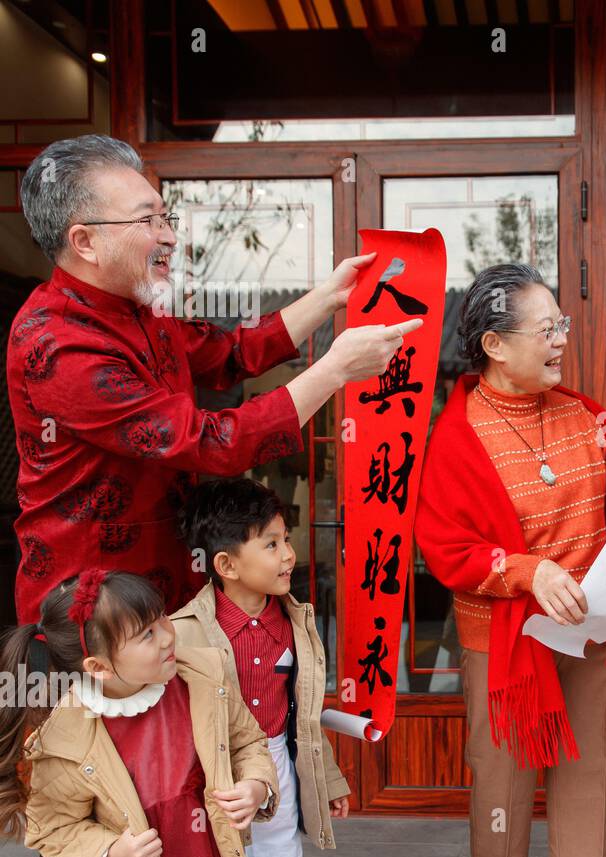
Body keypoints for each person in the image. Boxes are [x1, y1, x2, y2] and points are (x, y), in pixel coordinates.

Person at [9, 134, 421, 623]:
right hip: (93, 611)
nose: (169, 237)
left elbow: (228, 355)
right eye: (148, 221)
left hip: (172, 588)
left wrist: (328, 298)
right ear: (84, 242)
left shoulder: (142, 307)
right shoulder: (56, 343)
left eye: (166, 218)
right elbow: (210, 443)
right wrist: (334, 370)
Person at [414, 263, 606, 857]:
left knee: (591, 790)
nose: (561, 340)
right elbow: (447, 547)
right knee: (502, 799)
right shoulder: (456, 436)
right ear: (494, 345)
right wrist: (530, 573)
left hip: (592, 634)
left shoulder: (587, 414)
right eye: (547, 329)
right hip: (505, 644)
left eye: (563, 325)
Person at [0, 570, 277, 857]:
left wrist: (256, 785)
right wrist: (111, 853)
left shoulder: (205, 677)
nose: (167, 637)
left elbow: (247, 743)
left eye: (161, 617)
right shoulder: (63, 740)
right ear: (99, 667)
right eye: (147, 634)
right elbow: (55, 829)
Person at [171, 478, 349, 857]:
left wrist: (327, 779)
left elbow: (304, 714)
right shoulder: (183, 633)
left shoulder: (296, 623)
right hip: (213, 777)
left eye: (287, 539)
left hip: (278, 768)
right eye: (271, 544)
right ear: (226, 565)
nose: (288, 554)